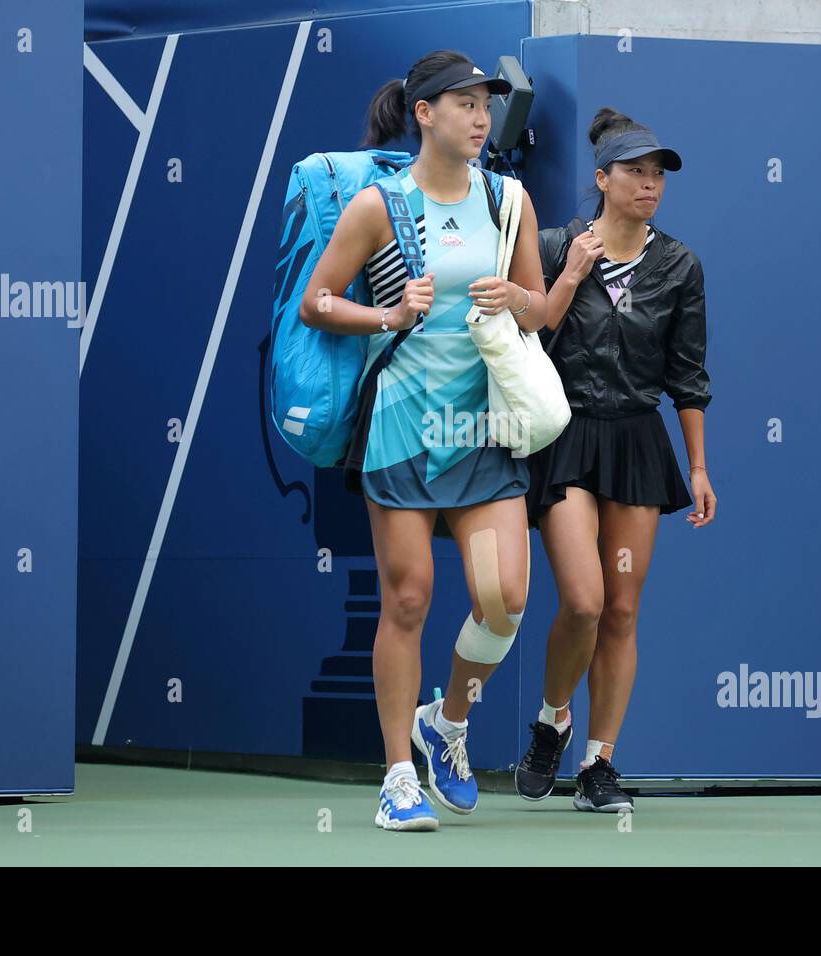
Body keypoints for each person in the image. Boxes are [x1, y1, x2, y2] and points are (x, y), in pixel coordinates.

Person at [299, 50, 548, 831]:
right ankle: (398, 776)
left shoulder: (509, 201)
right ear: (425, 113)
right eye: (465, 104)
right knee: (408, 599)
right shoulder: (379, 206)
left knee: (504, 600)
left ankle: (447, 721)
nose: (481, 118)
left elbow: (541, 312)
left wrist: (517, 297)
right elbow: (317, 301)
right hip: (404, 424)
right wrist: (388, 317)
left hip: (482, 428)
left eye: (487, 106)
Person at [514, 107, 716, 813]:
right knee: (584, 600)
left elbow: (688, 375)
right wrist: (568, 273)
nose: (649, 184)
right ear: (602, 178)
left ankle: (597, 764)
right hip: (566, 438)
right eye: (635, 171)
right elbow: (524, 334)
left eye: (658, 174)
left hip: (637, 444)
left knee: (622, 610)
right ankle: (551, 720)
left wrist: (696, 467)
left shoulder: (679, 265)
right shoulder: (549, 244)